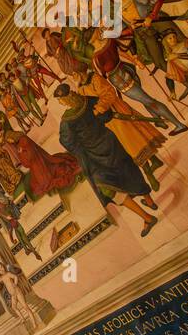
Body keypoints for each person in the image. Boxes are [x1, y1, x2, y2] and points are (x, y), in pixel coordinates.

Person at [53, 84, 160, 235]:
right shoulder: (89, 100)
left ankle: (147, 218)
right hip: (110, 142)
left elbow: (68, 142)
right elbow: (107, 115)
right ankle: (150, 201)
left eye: (60, 101)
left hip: (94, 156)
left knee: (109, 190)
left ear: (64, 100)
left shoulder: (67, 121)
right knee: (129, 170)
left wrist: (82, 145)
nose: (60, 103)